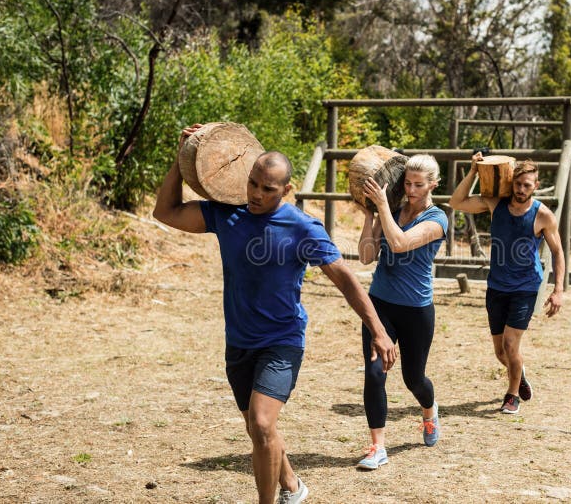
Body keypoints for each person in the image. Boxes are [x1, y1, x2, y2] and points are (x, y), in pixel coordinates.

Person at [153, 124, 397, 504]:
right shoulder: (227, 214)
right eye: (253, 183)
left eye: (268, 189)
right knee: (257, 427)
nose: (256, 194)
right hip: (239, 341)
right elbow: (165, 212)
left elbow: (346, 280)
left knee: (263, 423)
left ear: (286, 190)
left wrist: (379, 330)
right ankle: (293, 486)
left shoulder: (302, 228)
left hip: (282, 341)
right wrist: (182, 157)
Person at [450, 152, 564, 415]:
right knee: (502, 353)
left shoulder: (543, 215)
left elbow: (557, 252)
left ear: (536, 186)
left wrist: (558, 290)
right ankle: (519, 371)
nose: (522, 189)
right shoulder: (495, 204)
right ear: (512, 183)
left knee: (512, 345)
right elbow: (457, 201)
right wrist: (473, 172)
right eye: (518, 184)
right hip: (497, 287)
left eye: (528, 185)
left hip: (525, 288)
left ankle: (512, 395)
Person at [354, 154, 448, 470]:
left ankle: (429, 410)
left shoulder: (438, 220)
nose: (410, 189)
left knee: (413, 378)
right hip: (379, 304)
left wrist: (381, 206)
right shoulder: (391, 208)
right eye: (407, 182)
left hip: (416, 310)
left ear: (434, 184)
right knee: (374, 371)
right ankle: (377, 447)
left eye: (418, 184)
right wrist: (370, 214)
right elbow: (367, 256)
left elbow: (399, 243)